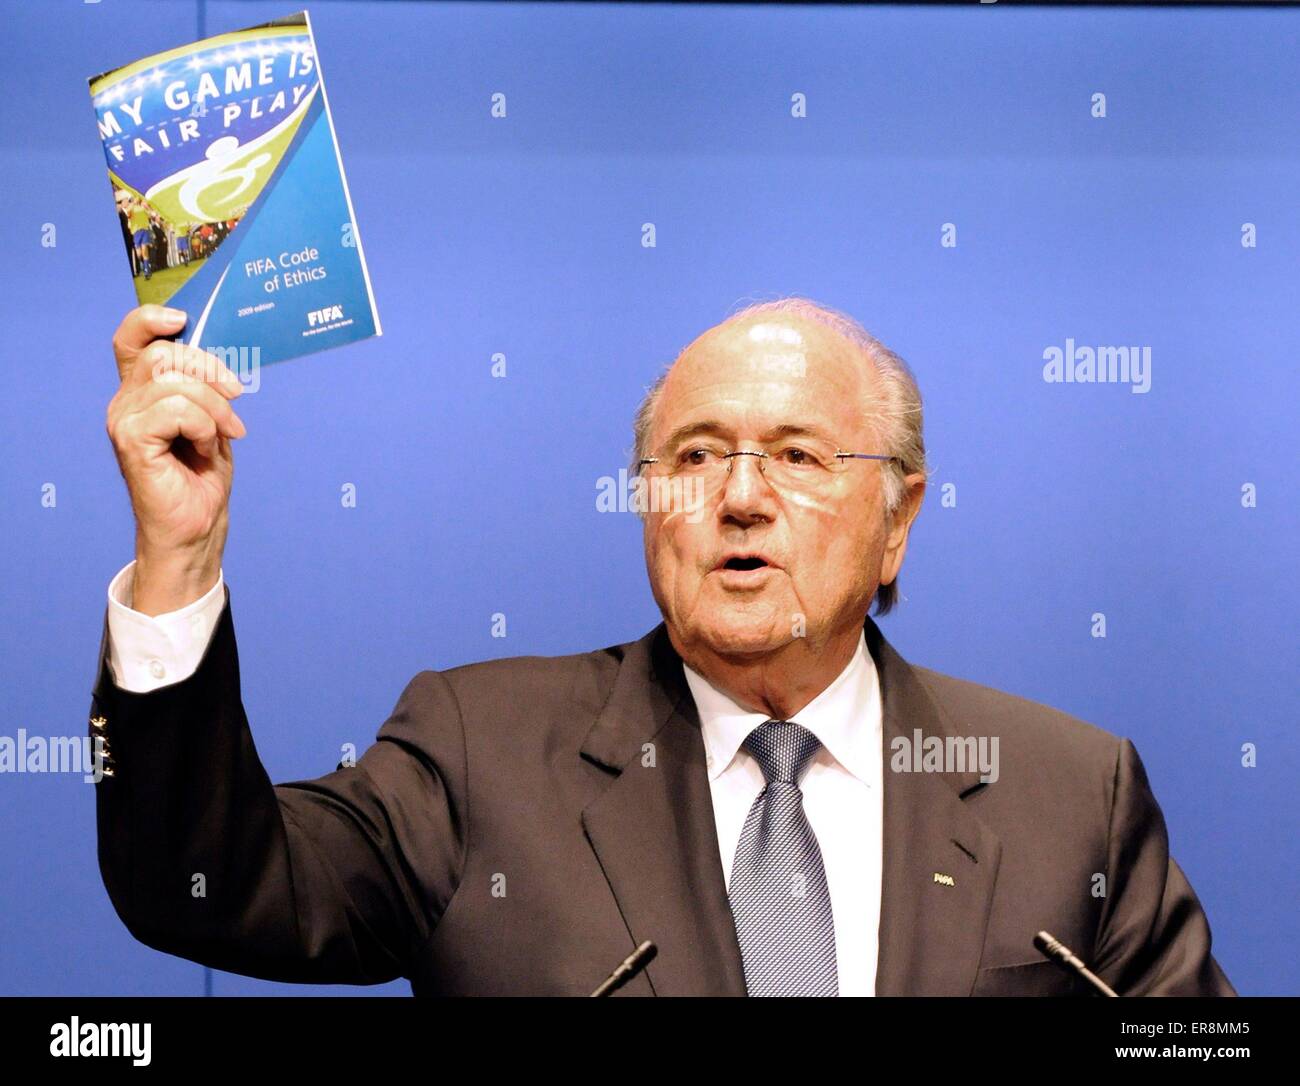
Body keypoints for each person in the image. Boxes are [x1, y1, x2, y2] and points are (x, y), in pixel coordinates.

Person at [90, 299, 1235, 996]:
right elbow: (206, 890)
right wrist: (179, 559)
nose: (739, 498)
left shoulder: (1066, 792)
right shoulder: (480, 753)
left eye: (796, 457)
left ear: (900, 517)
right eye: (692, 459)